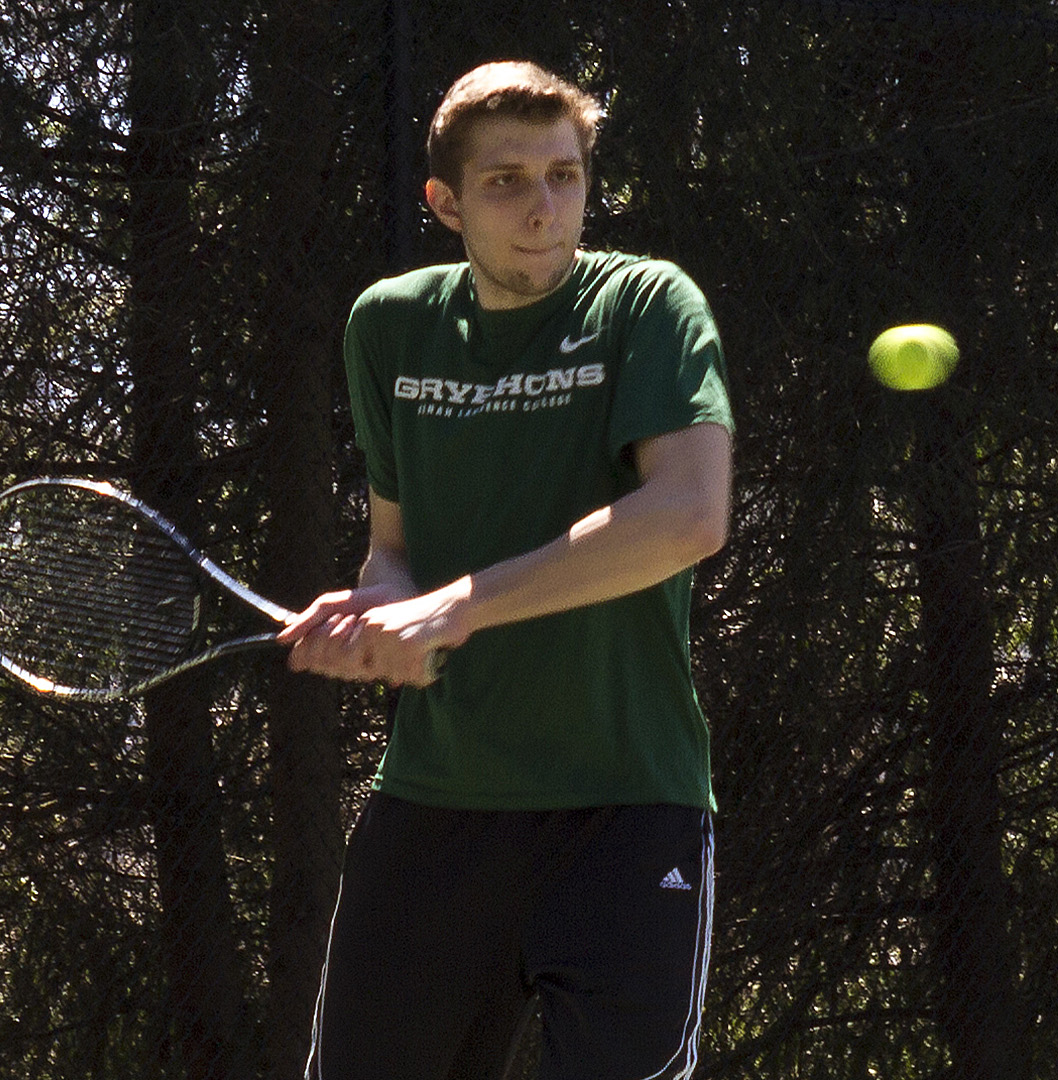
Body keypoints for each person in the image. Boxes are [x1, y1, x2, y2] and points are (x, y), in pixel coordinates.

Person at [279, 59, 733, 1080]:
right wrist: (387, 607)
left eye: (564, 176)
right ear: (444, 202)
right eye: (507, 182)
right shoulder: (390, 324)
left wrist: (453, 610)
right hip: (434, 810)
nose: (543, 208)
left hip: (627, 809)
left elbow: (687, 518)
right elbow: (393, 544)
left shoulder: (649, 306)